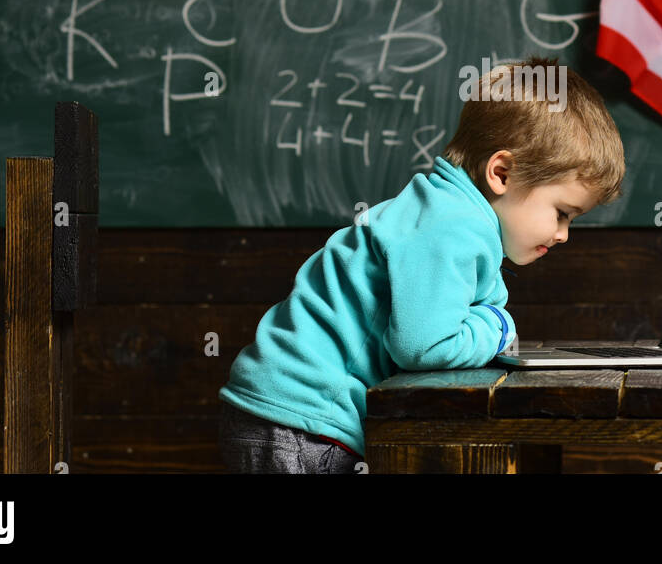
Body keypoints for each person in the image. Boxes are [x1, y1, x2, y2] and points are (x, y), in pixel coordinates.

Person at [217, 55, 626, 473]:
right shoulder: (452, 227)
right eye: (562, 212)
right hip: (302, 424)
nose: (563, 234)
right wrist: (497, 327)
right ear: (501, 173)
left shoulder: (443, 210)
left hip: (288, 416)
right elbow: (424, 347)